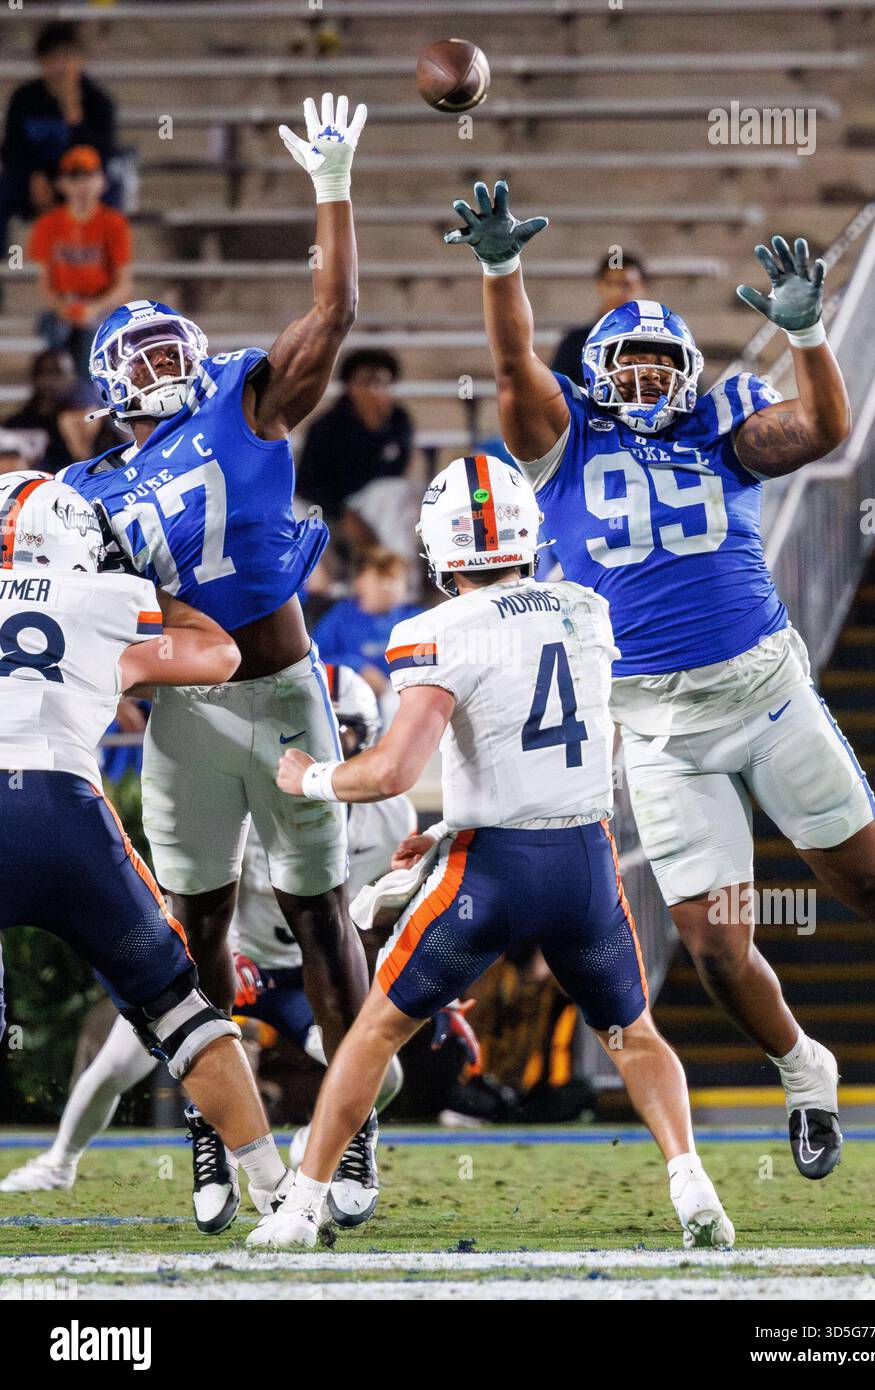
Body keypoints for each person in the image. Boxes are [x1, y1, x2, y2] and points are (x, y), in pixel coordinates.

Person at [442, 180, 875, 1179]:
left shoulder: (725, 425)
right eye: (628, 360)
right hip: (658, 729)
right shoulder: (561, 441)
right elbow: (507, 363)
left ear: (687, 369)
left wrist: (806, 336)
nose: (645, 376)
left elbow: (824, 431)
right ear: (598, 370)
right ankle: (804, 1069)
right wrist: (500, 268)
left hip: (766, 698)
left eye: (662, 359)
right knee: (712, 951)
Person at [247, 454, 734, 1251]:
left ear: (440, 548)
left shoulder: (435, 630)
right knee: (632, 1032)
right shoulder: (584, 607)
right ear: (526, 534)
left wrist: (311, 777)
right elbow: (571, 746)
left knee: (371, 1031)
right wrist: (449, 825)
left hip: (494, 871)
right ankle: (694, 1189)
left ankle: (301, 1206)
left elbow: (391, 772)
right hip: (581, 859)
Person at [60, 93, 376, 1226]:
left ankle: (350, 1133)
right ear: (102, 388)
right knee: (189, 935)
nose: (155, 367)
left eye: (166, 348)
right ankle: (213, 1129)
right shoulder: (84, 491)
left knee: (320, 914)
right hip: (185, 723)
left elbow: (334, 310)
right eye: (132, 356)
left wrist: (331, 190)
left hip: (285, 692)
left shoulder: (245, 400)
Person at [0, 665, 414, 1230]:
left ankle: (328, 1147)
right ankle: (64, 1159)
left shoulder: (392, 816)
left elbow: (365, 922)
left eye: (347, 730)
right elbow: (211, 903)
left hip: (296, 976)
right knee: (125, 1057)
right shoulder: (235, 780)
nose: (337, 740)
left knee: (381, 1067)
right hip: (234, 959)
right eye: (333, 726)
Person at [0, 471, 293, 1232]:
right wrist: (150, 591)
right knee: (179, 1011)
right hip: (65, 813)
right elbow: (221, 656)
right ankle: (277, 1191)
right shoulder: (108, 601)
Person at [0, 22, 118, 279]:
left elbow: (103, 155)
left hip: (80, 184)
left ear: (81, 61)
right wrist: (34, 176)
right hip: (33, 183)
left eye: (69, 57)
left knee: (110, 193)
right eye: (54, 58)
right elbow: (12, 150)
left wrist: (74, 117)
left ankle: (100, 275)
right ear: (42, 62)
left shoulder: (98, 102)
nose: (62, 67)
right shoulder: (25, 98)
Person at [29, 145, 133, 378]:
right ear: (62, 184)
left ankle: (92, 400)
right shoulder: (48, 223)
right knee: (54, 337)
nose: (82, 185)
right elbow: (44, 285)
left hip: (102, 306)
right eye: (75, 177)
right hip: (64, 306)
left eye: (89, 176)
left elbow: (124, 284)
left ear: (102, 181)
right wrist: (64, 308)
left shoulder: (113, 223)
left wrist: (93, 308)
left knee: (93, 341)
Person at [294, 347, 413, 519]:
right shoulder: (326, 425)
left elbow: (393, 474)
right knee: (293, 509)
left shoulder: (398, 421)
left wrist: (376, 429)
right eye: (366, 382)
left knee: (395, 492)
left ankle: (389, 547)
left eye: (381, 383)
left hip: (371, 505)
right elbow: (307, 484)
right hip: (326, 507)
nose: (374, 389)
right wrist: (341, 514)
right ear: (350, 386)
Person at [312, 547, 422, 697]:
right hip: (354, 701)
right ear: (360, 582)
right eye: (379, 578)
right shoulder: (340, 619)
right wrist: (357, 668)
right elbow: (315, 661)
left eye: (394, 578)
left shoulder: (418, 619)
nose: (387, 586)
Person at [550, 253, 648, 387]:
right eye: (612, 284)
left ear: (642, 288)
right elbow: (560, 391)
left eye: (627, 285)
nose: (619, 291)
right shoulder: (575, 341)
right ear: (600, 286)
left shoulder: (657, 341)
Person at [2, 347, 77, 471]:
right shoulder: (17, 423)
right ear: (35, 377)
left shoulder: (86, 421)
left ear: (72, 377)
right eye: (44, 372)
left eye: (57, 372)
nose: (50, 380)